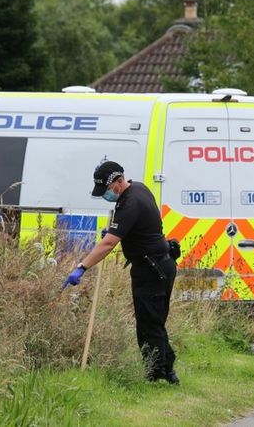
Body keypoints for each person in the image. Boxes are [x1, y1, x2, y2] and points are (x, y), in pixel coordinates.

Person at [62, 160, 180, 384]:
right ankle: (166, 370)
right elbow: (143, 225)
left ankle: (156, 374)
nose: (106, 194)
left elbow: (108, 245)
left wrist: (81, 267)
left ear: (118, 181)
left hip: (151, 269)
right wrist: (121, 229)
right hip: (160, 264)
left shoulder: (130, 203)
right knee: (154, 321)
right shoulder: (140, 189)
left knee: (149, 324)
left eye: (106, 190)